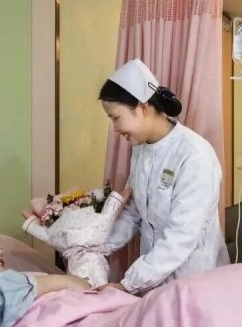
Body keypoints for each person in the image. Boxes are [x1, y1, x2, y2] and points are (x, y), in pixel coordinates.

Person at [98, 58, 229, 295]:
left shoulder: (194, 155)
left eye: (115, 118)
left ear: (142, 107)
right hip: (153, 278)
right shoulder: (141, 150)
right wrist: (98, 245)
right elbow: (134, 212)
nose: (115, 129)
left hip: (194, 279)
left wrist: (128, 284)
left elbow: (181, 235)